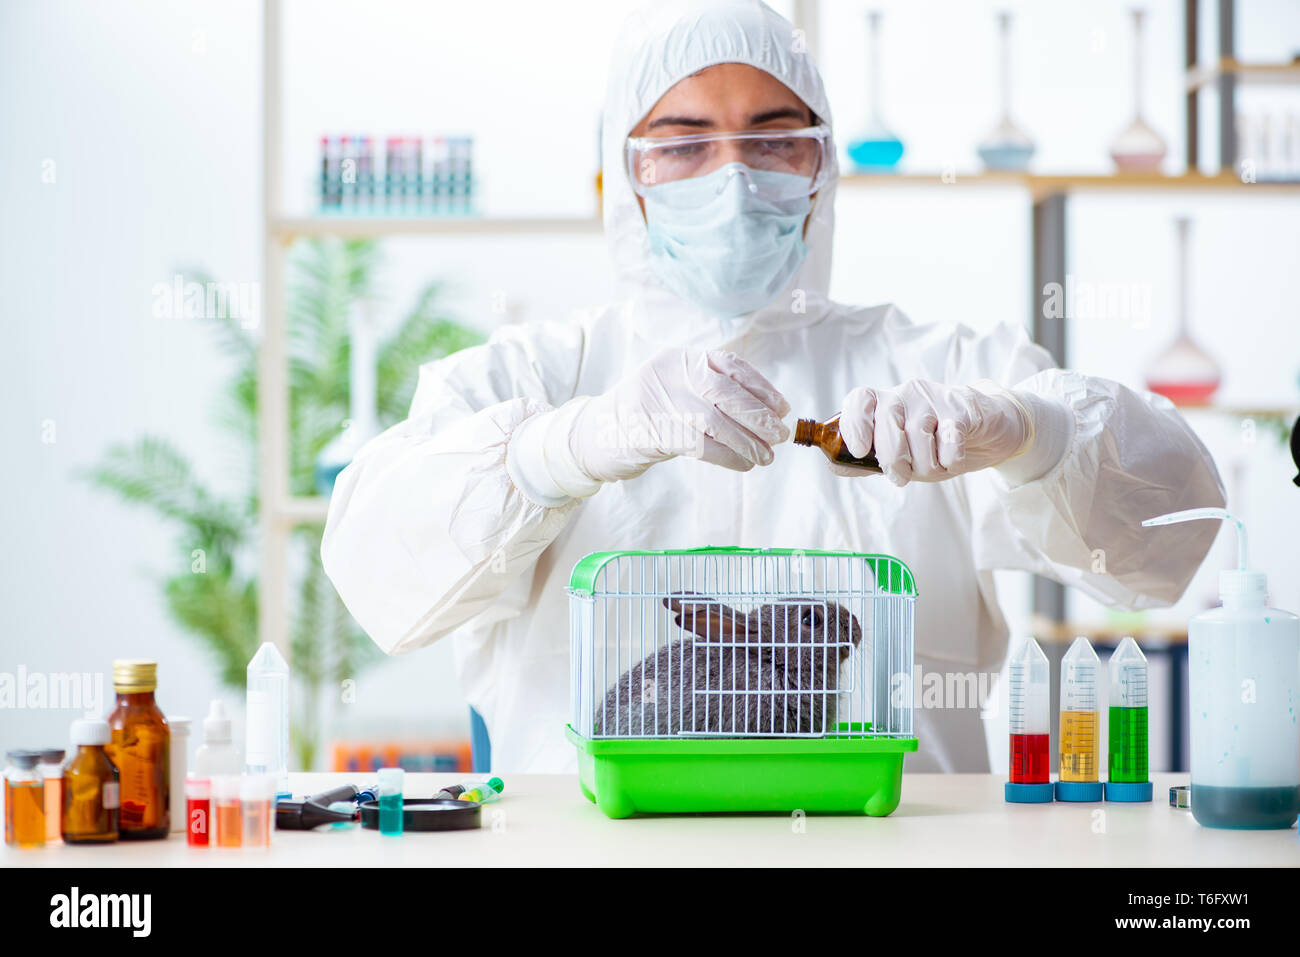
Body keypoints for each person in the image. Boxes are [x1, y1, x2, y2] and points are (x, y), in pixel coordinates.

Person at [322, 0, 1224, 772]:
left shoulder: (940, 366)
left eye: (774, 140)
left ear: (822, 166)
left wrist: (1032, 434)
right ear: (625, 173)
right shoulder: (535, 375)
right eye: (682, 145)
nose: (734, 178)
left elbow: (1169, 543)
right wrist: (564, 447)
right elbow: (373, 570)